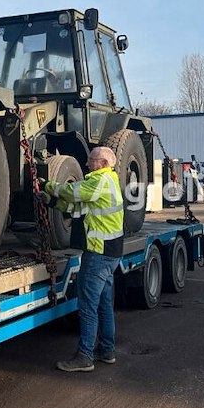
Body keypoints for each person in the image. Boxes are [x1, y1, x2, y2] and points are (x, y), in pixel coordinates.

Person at [40, 146, 126, 372]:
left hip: (98, 254)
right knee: (104, 305)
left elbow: (72, 192)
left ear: (104, 163)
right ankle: (107, 350)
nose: (87, 163)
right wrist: (50, 201)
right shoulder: (108, 181)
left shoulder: (100, 182)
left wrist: (48, 185)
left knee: (88, 306)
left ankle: (84, 356)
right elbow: (77, 208)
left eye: (91, 160)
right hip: (111, 253)